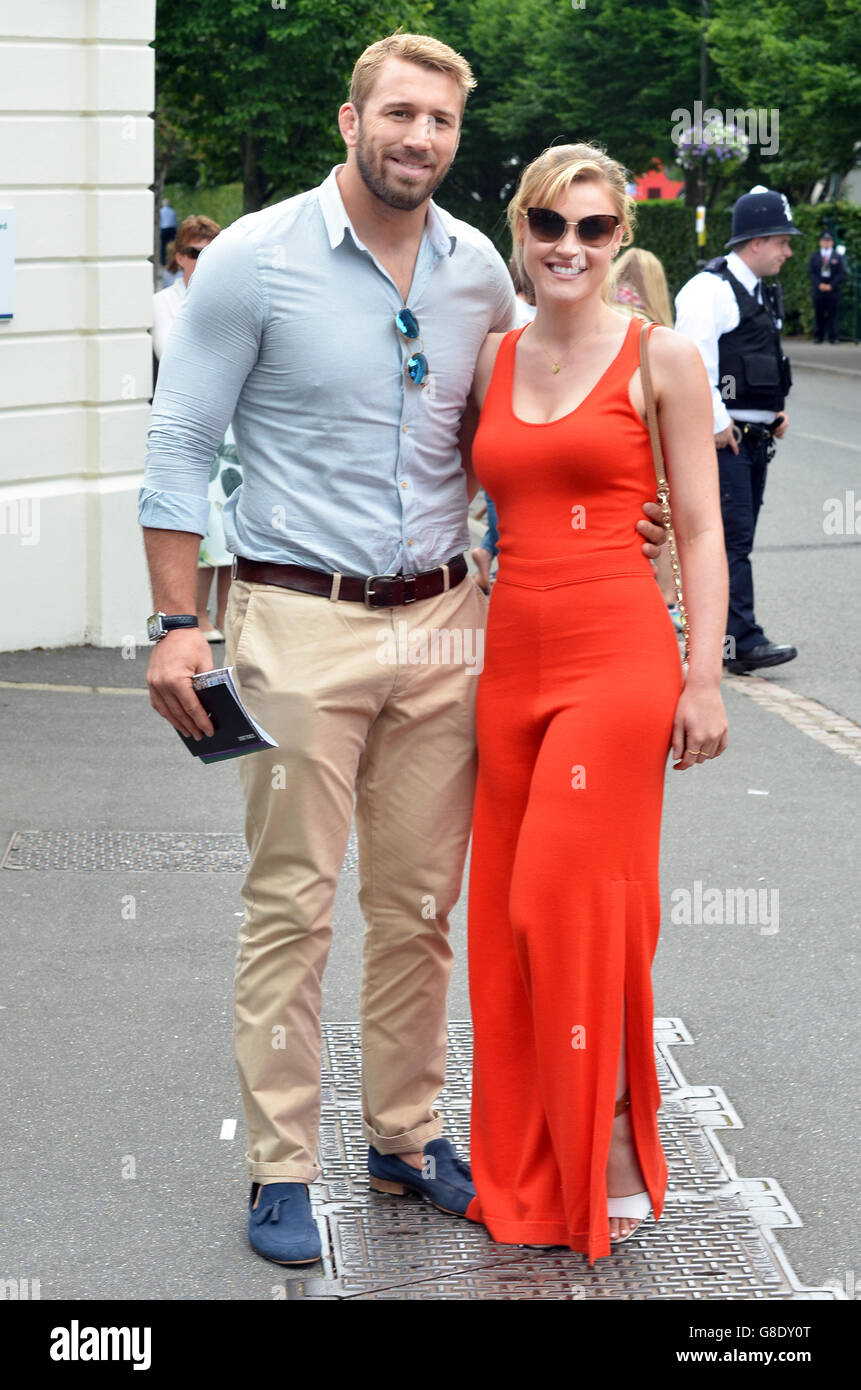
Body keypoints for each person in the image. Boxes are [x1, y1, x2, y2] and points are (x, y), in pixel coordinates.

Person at [139, 34, 669, 1268]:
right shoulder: (256, 259)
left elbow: (535, 410)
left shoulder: (479, 268)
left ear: (455, 137)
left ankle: (405, 1133)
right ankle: (282, 1162)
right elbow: (179, 442)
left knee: (421, 904)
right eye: (399, 114)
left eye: (439, 121)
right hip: (297, 616)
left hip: (447, 622)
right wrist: (176, 625)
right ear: (351, 119)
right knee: (293, 903)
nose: (418, 137)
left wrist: (620, 506)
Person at [464, 142, 728, 1261]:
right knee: (499, 922)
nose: (569, 246)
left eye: (594, 228)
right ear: (521, 232)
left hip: (617, 659)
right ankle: (530, 1163)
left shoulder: (660, 355)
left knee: (564, 903)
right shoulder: (491, 355)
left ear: (621, 239)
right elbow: (461, 497)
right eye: (549, 225)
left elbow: (702, 526)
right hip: (508, 663)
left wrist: (704, 675)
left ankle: (614, 1131)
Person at [675, 185, 800, 675]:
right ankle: (740, 642)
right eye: (782, 242)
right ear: (756, 242)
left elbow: (761, 360)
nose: (788, 252)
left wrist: (774, 412)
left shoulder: (760, 290)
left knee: (736, 541)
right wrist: (717, 421)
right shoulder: (710, 289)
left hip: (753, 436)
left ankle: (728, 638)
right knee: (730, 540)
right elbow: (692, 363)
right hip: (726, 440)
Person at [151, 214, 240, 641]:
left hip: (234, 426)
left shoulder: (233, 297)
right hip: (193, 425)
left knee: (231, 523)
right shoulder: (164, 302)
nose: (201, 260)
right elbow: (172, 355)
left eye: (210, 253)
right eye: (193, 252)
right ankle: (197, 615)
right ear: (179, 256)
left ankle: (225, 614)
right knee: (200, 522)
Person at [610, 247, 682, 629]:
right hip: (647, 447)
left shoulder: (603, 321)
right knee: (662, 523)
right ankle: (666, 602)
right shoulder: (655, 335)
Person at [808, 229, 844, 344]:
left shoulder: (837, 256)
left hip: (833, 290)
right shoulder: (814, 256)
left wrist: (831, 285)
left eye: (828, 240)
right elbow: (811, 273)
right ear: (820, 242)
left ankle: (833, 337)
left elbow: (841, 273)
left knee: (833, 314)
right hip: (818, 290)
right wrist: (819, 284)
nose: (826, 242)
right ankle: (818, 337)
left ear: (832, 242)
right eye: (824, 240)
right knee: (818, 314)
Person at [159, 196, 178, 266]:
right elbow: (175, 222)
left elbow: (159, 221)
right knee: (173, 245)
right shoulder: (173, 211)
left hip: (164, 229)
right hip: (172, 229)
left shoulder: (160, 211)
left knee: (163, 246)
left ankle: (163, 262)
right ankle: (173, 260)